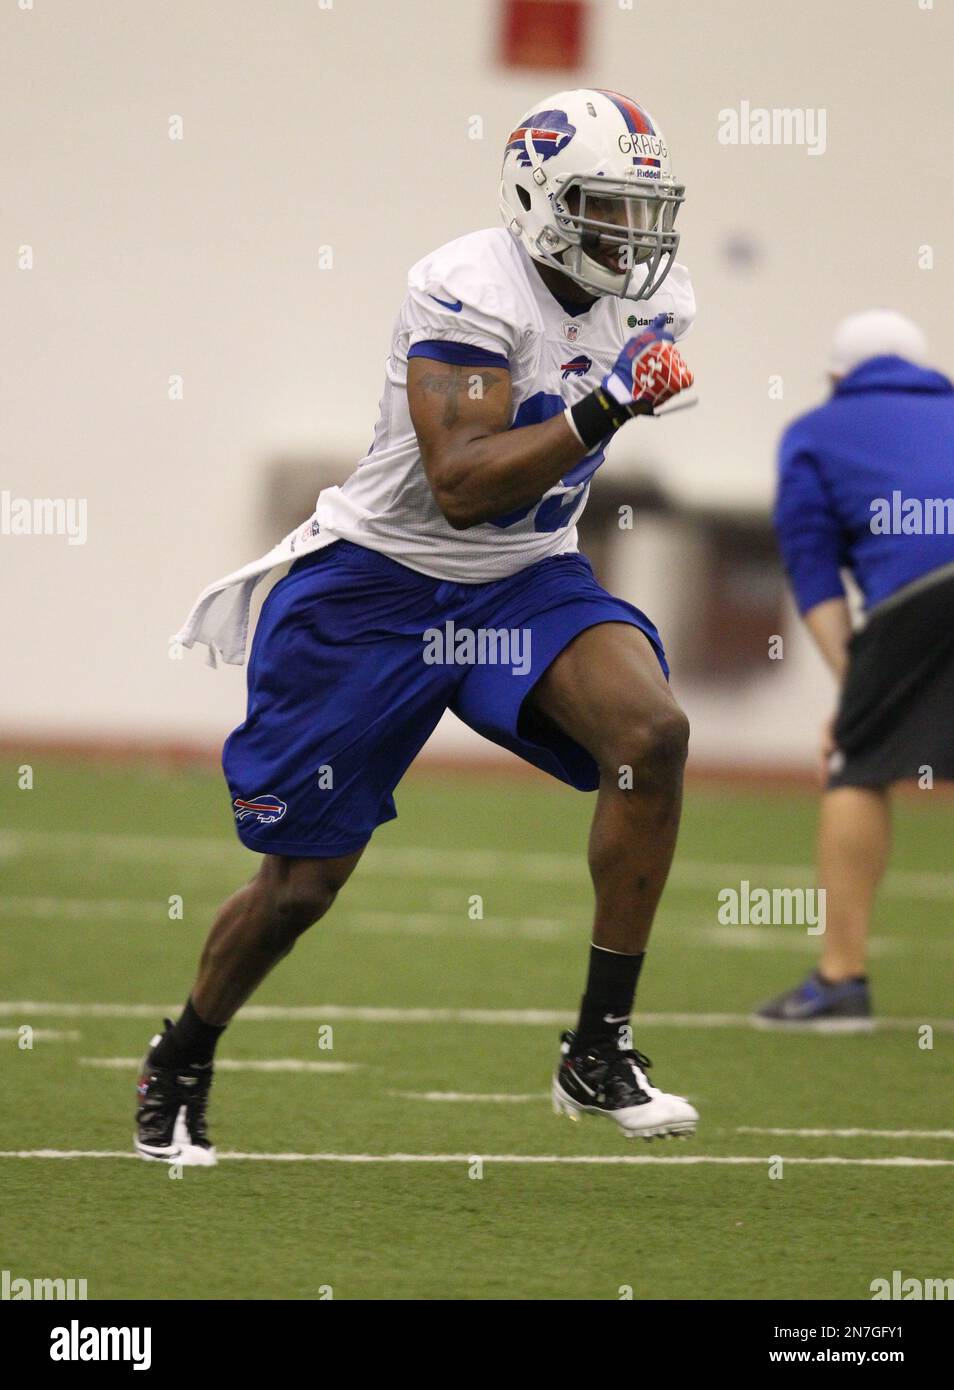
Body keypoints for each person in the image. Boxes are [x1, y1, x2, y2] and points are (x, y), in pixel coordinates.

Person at [135, 88, 699, 1163]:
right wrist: (602, 407)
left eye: (643, 211)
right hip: (376, 592)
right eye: (605, 208)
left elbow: (532, 493)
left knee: (652, 735)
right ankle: (186, 1049)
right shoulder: (464, 287)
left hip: (524, 578)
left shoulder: (658, 300)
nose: (632, 238)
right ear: (539, 201)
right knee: (300, 887)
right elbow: (460, 484)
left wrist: (613, 399)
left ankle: (599, 1045)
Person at [758, 310, 954, 1028]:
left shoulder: (813, 432)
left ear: (839, 377)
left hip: (917, 592)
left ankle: (841, 980)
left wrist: (855, 700)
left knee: (859, 766)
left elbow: (814, 579)